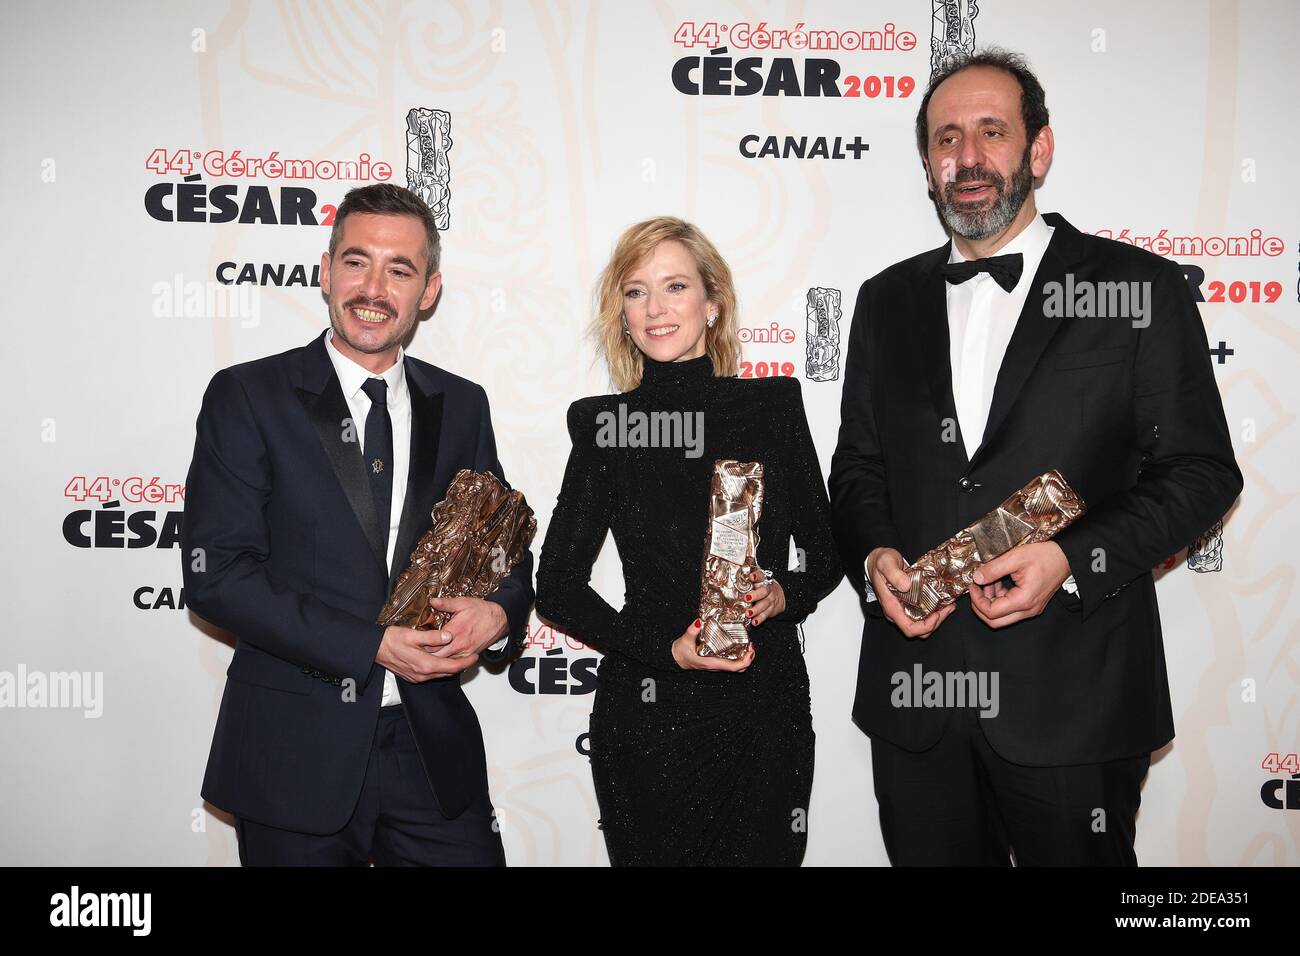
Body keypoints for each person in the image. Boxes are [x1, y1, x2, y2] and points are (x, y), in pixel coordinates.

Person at [828, 49, 1242, 866]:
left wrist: (1069, 558)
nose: (968, 157)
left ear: (1039, 150)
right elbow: (858, 468)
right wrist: (874, 553)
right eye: (947, 139)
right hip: (917, 704)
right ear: (926, 166)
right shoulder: (885, 300)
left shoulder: (1138, 288)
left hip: (1074, 700)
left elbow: (1201, 471)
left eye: (992, 132)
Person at [182, 183, 533, 866]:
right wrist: (370, 644)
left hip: (430, 752)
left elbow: (502, 552)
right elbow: (217, 576)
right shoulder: (248, 395)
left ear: (428, 290)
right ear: (324, 270)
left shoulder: (461, 404)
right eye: (356, 261)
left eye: (399, 269)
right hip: (293, 751)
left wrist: (499, 616)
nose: (372, 288)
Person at [535, 217, 842, 865]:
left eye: (675, 286)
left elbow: (828, 548)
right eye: (636, 291)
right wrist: (664, 650)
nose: (656, 308)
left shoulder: (772, 407)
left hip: (762, 710)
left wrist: (784, 594)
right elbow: (556, 585)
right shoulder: (605, 427)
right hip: (649, 718)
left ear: (713, 304)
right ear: (620, 313)